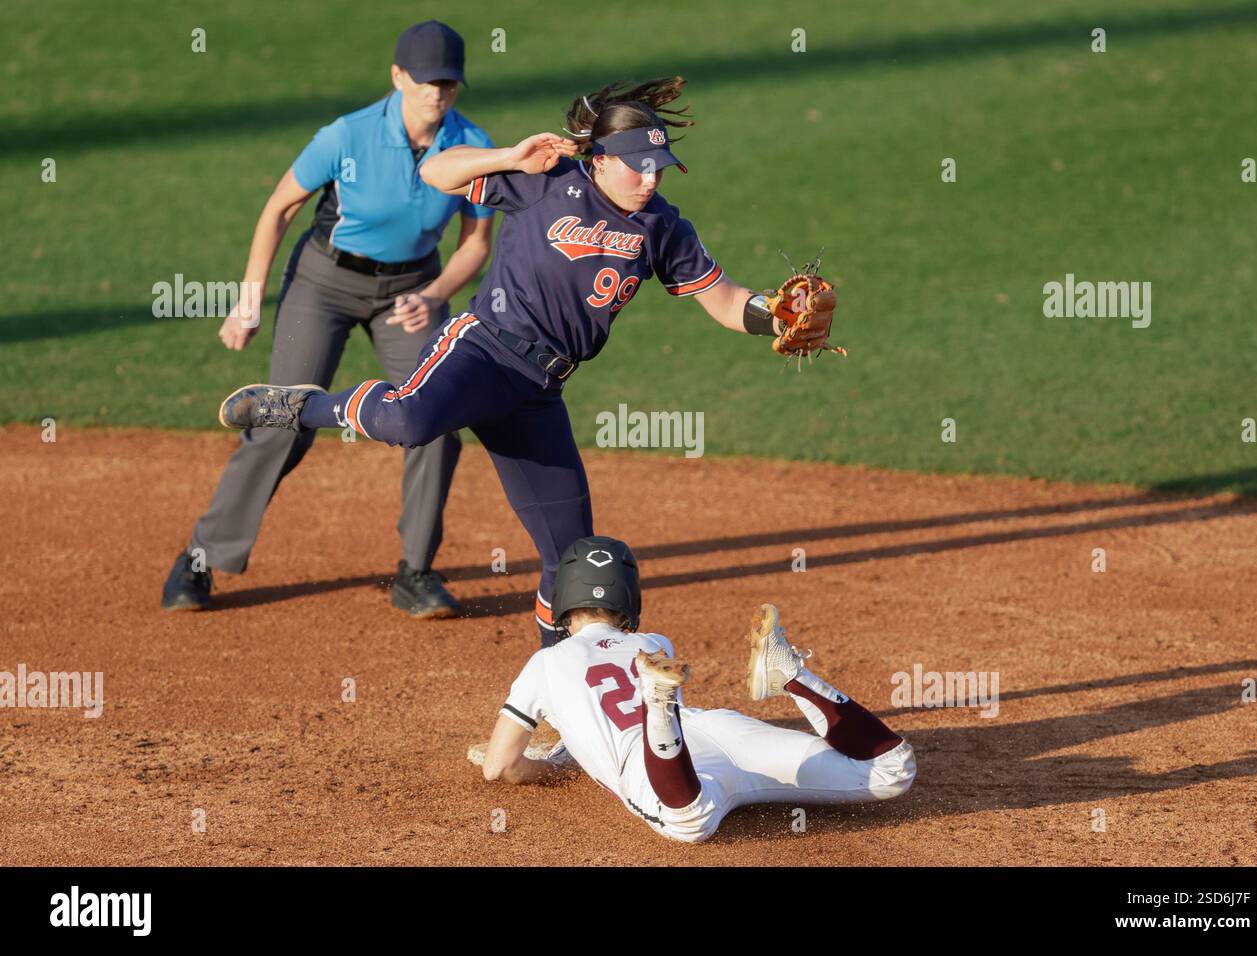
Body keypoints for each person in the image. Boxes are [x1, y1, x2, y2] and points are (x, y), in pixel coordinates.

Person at [215, 78, 838, 645]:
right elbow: (437, 172)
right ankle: (298, 405)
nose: (651, 179)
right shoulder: (543, 180)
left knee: (573, 563)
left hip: (540, 390)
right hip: (483, 350)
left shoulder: (665, 228)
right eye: (639, 167)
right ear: (600, 159)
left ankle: (558, 701)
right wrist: (509, 156)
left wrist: (772, 315)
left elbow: (723, 299)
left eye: (660, 167)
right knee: (409, 424)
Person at [163, 20, 495, 619]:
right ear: (398, 77)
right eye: (426, 81)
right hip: (324, 282)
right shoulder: (347, 135)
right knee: (282, 418)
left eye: (449, 82)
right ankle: (201, 559)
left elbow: (475, 243)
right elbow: (280, 206)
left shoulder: (470, 145)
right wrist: (249, 299)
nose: (437, 92)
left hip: (413, 289)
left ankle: (416, 572)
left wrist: (437, 291)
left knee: (437, 420)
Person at [474, 536, 916, 843]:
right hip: (720, 732)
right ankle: (791, 676)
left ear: (561, 603)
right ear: (628, 597)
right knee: (892, 772)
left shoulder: (545, 663)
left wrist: (556, 770)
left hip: (657, 763)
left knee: (689, 822)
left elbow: (499, 766)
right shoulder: (652, 643)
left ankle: (658, 706)